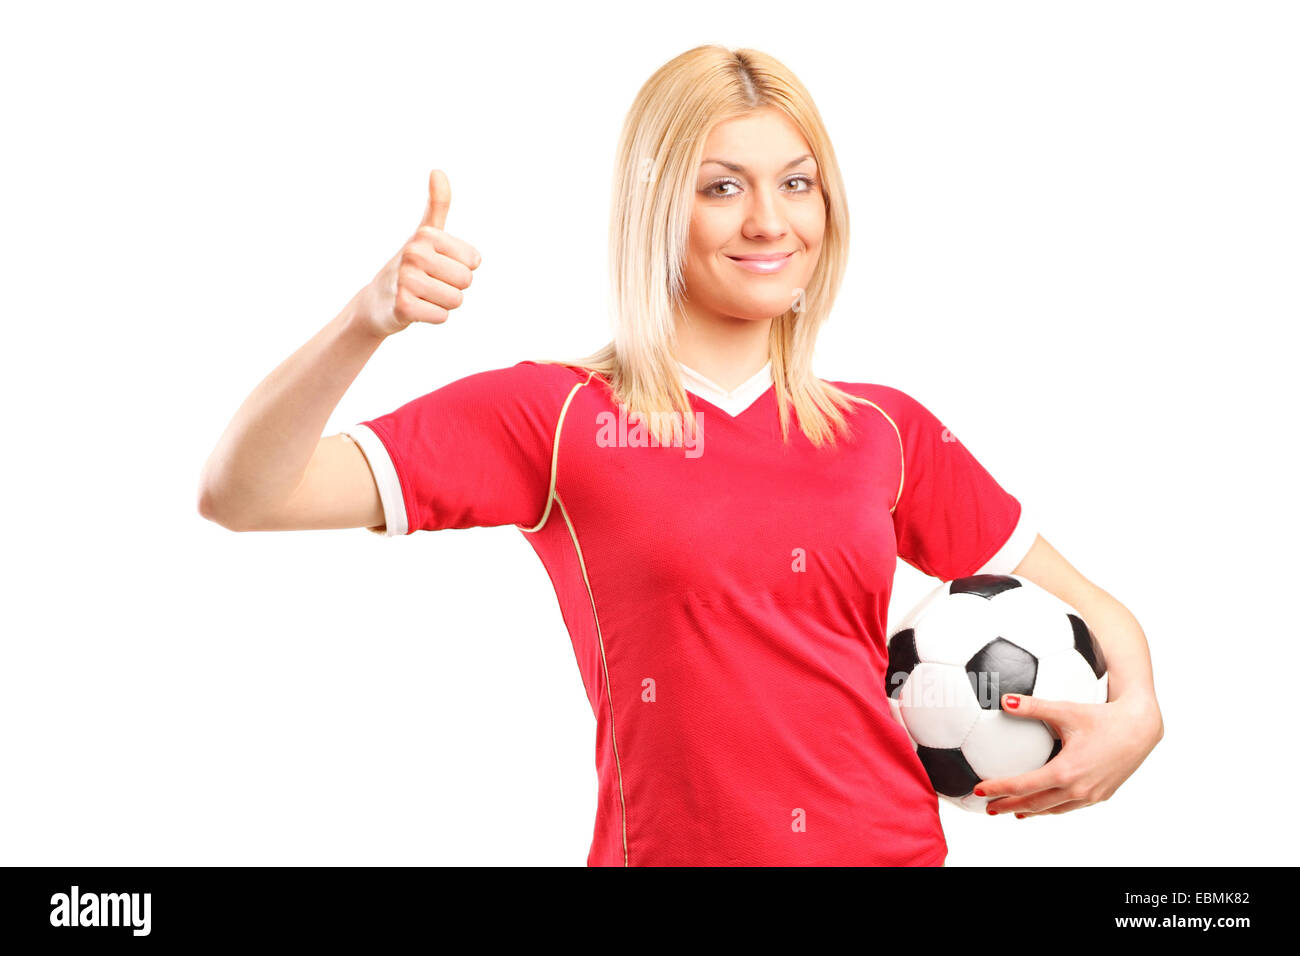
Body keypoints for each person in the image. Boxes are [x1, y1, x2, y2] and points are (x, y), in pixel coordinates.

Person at [198, 45, 1163, 866]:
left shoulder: (885, 429)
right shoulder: (557, 414)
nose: (767, 222)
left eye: (796, 182)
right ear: (658, 206)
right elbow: (243, 494)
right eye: (721, 187)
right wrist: (366, 323)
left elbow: (1099, 617)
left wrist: (1137, 718)